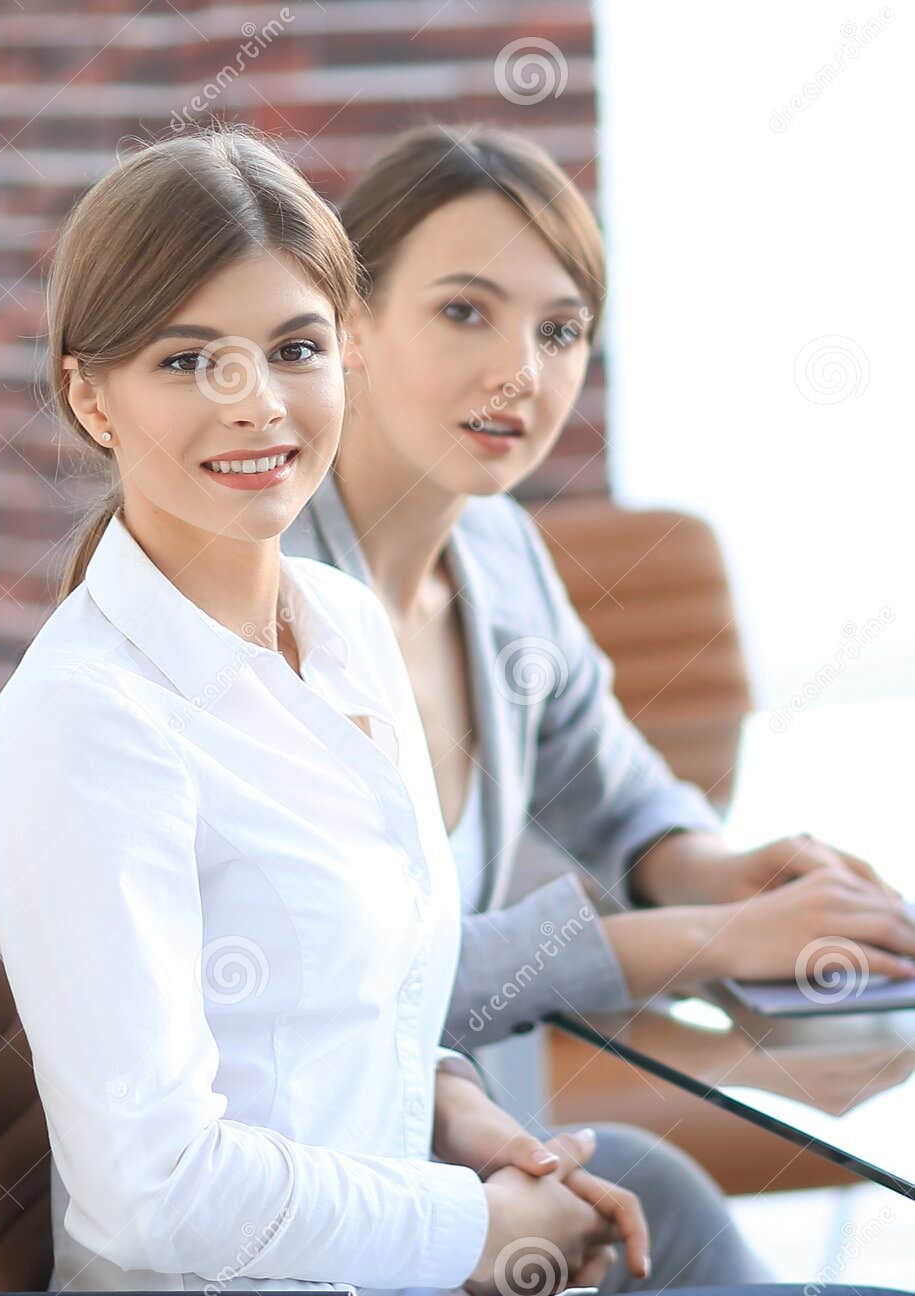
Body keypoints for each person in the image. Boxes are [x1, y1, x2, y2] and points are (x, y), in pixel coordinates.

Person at [0, 128, 915, 1296]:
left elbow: (355, 989)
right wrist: (481, 1220)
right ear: (87, 392)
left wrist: (452, 1110)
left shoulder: (334, 634)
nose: (255, 403)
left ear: (337, 350)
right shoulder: (88, 727)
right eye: (183, 359)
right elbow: (156, 1192)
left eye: (289, 347)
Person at [284, 124, 915, 1149]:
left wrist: (719, 871)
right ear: (350, 322)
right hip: (346, 1205)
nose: (519, 372)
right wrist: (706, 939)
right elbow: (354, 984)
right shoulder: (262, 605)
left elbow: (617, 793)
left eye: (559, 330)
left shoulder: (496, 552)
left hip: (505, 1158)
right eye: (462, 312)